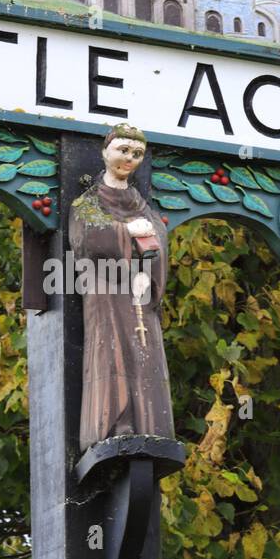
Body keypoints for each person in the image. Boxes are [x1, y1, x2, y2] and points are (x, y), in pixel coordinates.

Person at [68, 123, 175, 454]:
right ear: (105, 152)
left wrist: (147, 261)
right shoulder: (87, 202)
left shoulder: (142, 205)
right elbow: (86, 236)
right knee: (111, 351)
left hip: (139, 291)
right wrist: (127, 231)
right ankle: (115, 424)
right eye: (123, 150)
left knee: (146, 353)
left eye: (137, 154)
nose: (129, 158)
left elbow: (158, 240)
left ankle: (150, 425)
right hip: (106, 292)